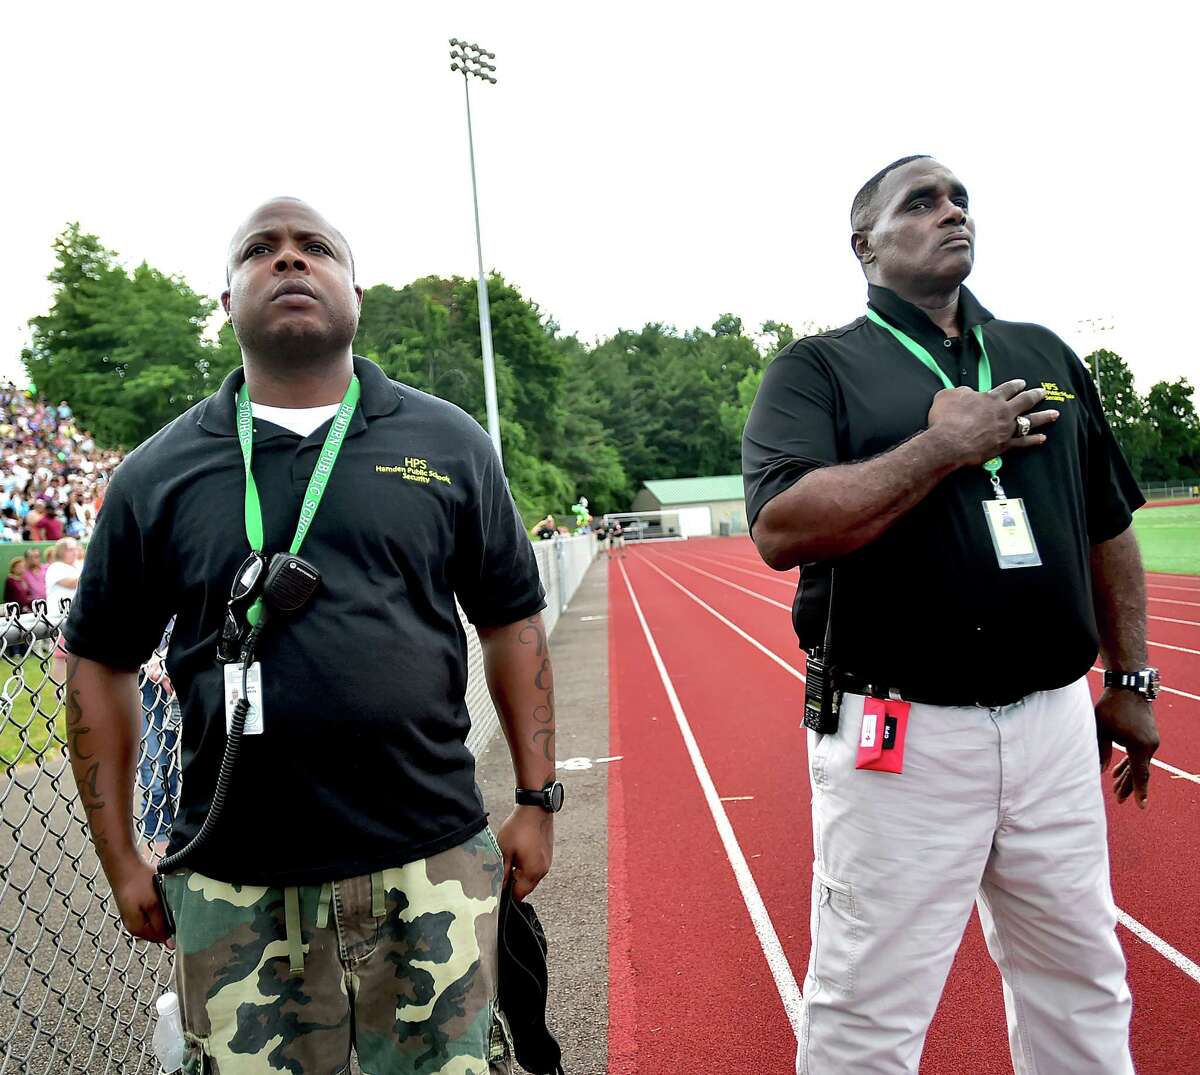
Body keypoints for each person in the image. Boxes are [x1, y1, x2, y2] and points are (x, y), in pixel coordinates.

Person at [63, 196, 563, 1075]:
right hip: (233, 883)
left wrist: (536, 797)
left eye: (314, 247)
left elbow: (510, 621)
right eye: (261, 249)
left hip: (431, 857)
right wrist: (121, 858)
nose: (289, 259)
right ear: (226, 304)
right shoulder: (158, 472)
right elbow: (97, 662)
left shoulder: (448, 442)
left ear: (355, 293)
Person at [743, 156, 1159, 1075]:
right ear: (865, 245)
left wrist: (1130, 680)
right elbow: (780, 528)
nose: (951, 211)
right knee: (867, 1007)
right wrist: (942, 447)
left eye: (959, 197)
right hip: (902, 733)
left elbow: (1109, 525)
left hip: (1054, 724)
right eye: (920, 202)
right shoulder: (819, 370)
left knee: (1085, 975)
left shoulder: (1043, 353)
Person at [45, 537, 82, 686]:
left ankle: (70, 684)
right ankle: (58, 687)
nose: (76, 552)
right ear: (62, 551)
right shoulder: (56, 567)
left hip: (74, 616)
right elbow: (72, 583)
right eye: (71, 549)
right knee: (61, 654)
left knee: (73, 654)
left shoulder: (75, 566)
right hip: (58, 617)